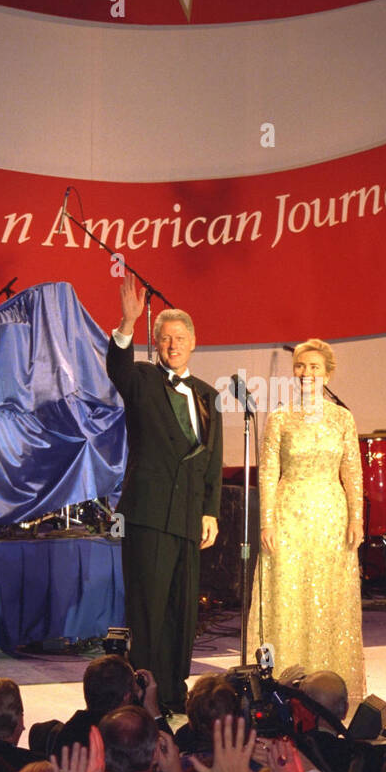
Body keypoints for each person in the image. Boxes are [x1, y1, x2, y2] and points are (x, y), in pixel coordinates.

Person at [106, 277, 222, 713]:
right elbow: (116, 365)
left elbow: (212, 460)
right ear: (156, 344)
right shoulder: (139, 379)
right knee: (149, 610)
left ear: (194, 342)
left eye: (180, 338)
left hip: (189, 518)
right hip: (149, 514)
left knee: (181, 609)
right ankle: (145, 692)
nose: (172, 345)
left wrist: (210, 512)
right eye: (165, 339)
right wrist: (128, 322)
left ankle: (174, 690)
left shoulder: (208, 396)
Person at [249, 338, 365, 703]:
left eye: (314, 367)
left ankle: (330, 683)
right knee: (290, 594)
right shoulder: (280, 417)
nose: (306, 373)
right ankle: (282, 683)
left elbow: (353, 474)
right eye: (301, 366)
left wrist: (357, 519)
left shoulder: (343, 418)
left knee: (327, 596)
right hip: (289, 515)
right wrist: (266, 522)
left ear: (328, 373)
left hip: (331, 516)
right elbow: (268, 474)